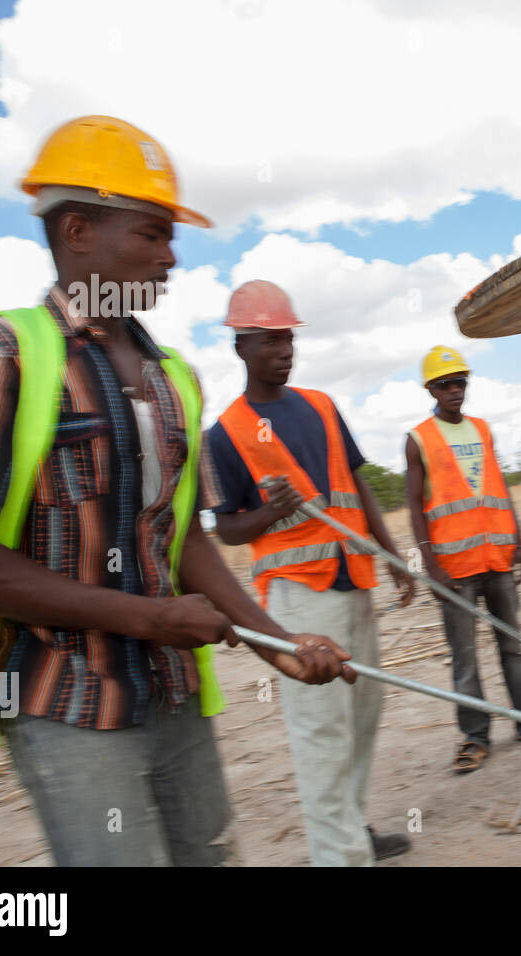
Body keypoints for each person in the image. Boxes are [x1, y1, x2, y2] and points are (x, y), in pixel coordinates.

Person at [0, 115, 353, 867]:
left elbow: (181, 536)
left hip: (174, 693)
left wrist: (275, 643)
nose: (171, 255)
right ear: (79, 230)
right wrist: (150, 618)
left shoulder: (172, 377)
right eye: (151, 233)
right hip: (68, 703)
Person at [209, 279, 416, 865]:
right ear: (241, 346)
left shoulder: (323, 406)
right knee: (321, 731)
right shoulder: (224, 434)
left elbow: (358, 489)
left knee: (360, 716)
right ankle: (339, 855)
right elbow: (224, 529)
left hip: (355, 581)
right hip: (299, 600)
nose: (284, 349)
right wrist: (269, 512)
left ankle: (349, 830)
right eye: (271, 340)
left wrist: (393, 556)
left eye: (288, 338)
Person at [404, 346, 521, 773]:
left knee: (514, 645)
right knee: (465, 657)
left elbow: (499, 486)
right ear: (431, 389)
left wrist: (519, 541)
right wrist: (430, 564)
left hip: (498, 558)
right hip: (454, 569)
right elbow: (414, 505)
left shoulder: (483, 429)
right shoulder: (418, 439)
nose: (454, 390)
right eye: (445, 384)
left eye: (460, 382)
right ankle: (475, 738)